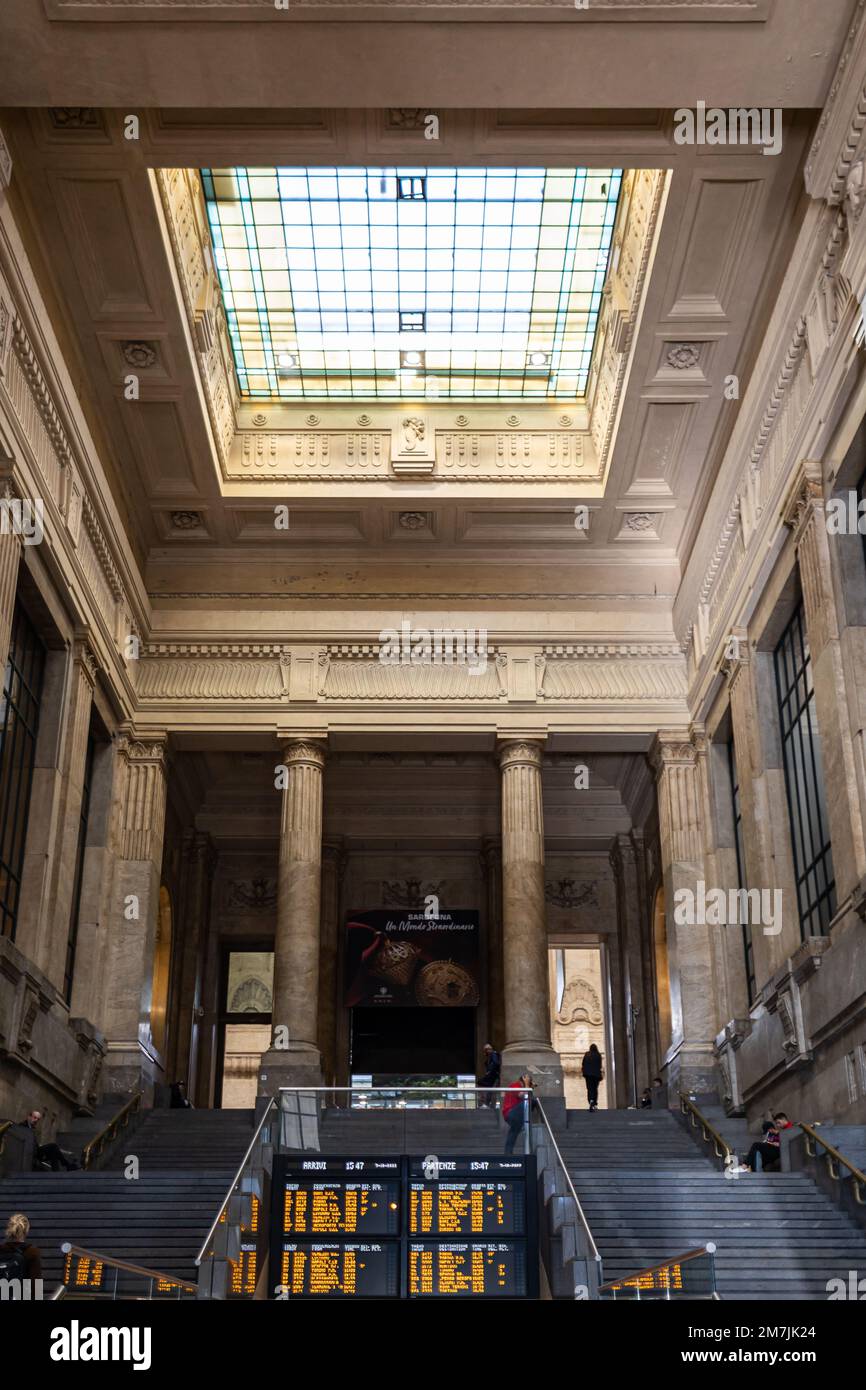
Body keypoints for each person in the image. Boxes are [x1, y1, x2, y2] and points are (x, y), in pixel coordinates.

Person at [0, 1212, 42, 1286]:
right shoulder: (32, 1252)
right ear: (26, 1230)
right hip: (24, 1296)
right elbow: (36, 1286)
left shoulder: (1, 1249)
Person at [502, 1073, 533, 1155]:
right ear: (523, 1079)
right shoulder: (515, 1085)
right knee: (531, 1101)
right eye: (527, 1080)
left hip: (516, 1115)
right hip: (511, 1112)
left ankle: (508, 1153)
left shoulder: (520, 1087)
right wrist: (527, 1084)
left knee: (513, 1132)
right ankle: (524, 1122)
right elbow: (524, 1096)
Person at [581, 1044, 603, 1111]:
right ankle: (594, 1103)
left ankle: (590, 1101)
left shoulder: (587, 1054)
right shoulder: (598, 1055)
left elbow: (583, 1064)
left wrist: (584, 1072)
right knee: (595, 1089)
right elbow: (600, 1065)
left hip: (588, 1075)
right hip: (596, 1075)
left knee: (589, 1088)